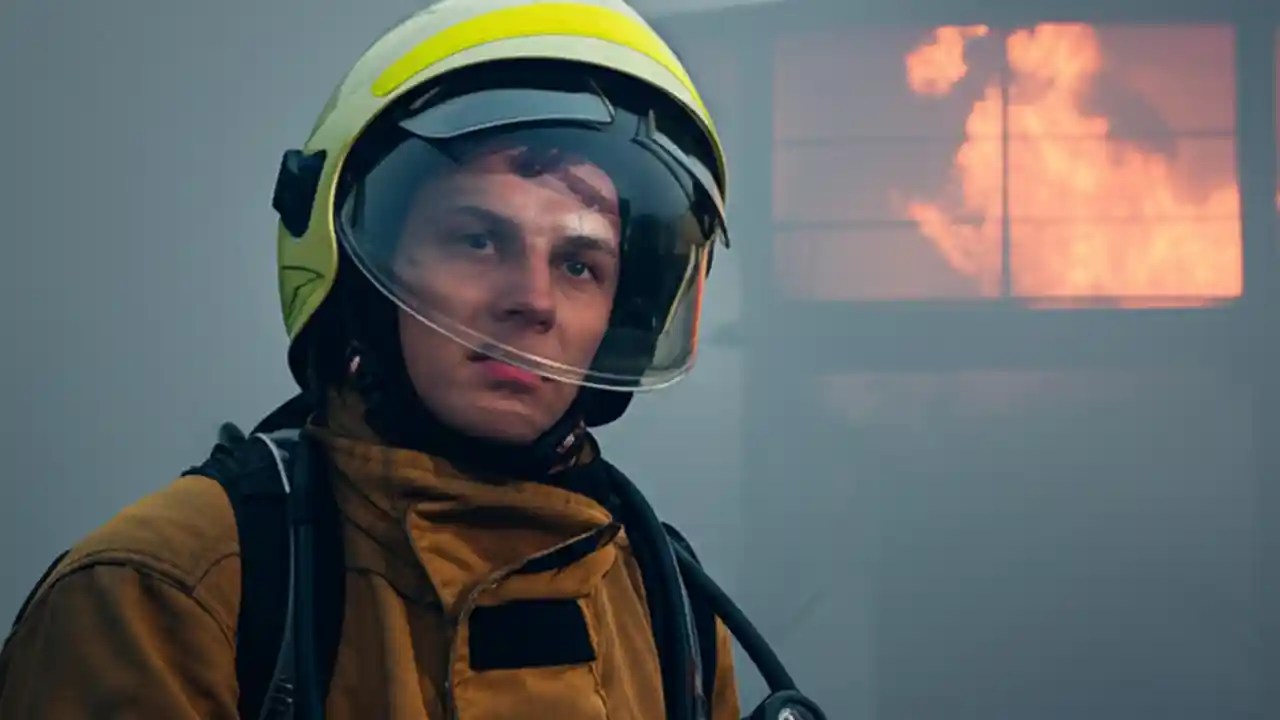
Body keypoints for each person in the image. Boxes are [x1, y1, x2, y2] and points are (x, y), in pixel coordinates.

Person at [0, 1, 826, 718]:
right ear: (363, 274)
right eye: (478, 238)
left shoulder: (664, 603)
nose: (532, 301)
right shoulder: (168, 594)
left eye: (579, 264)